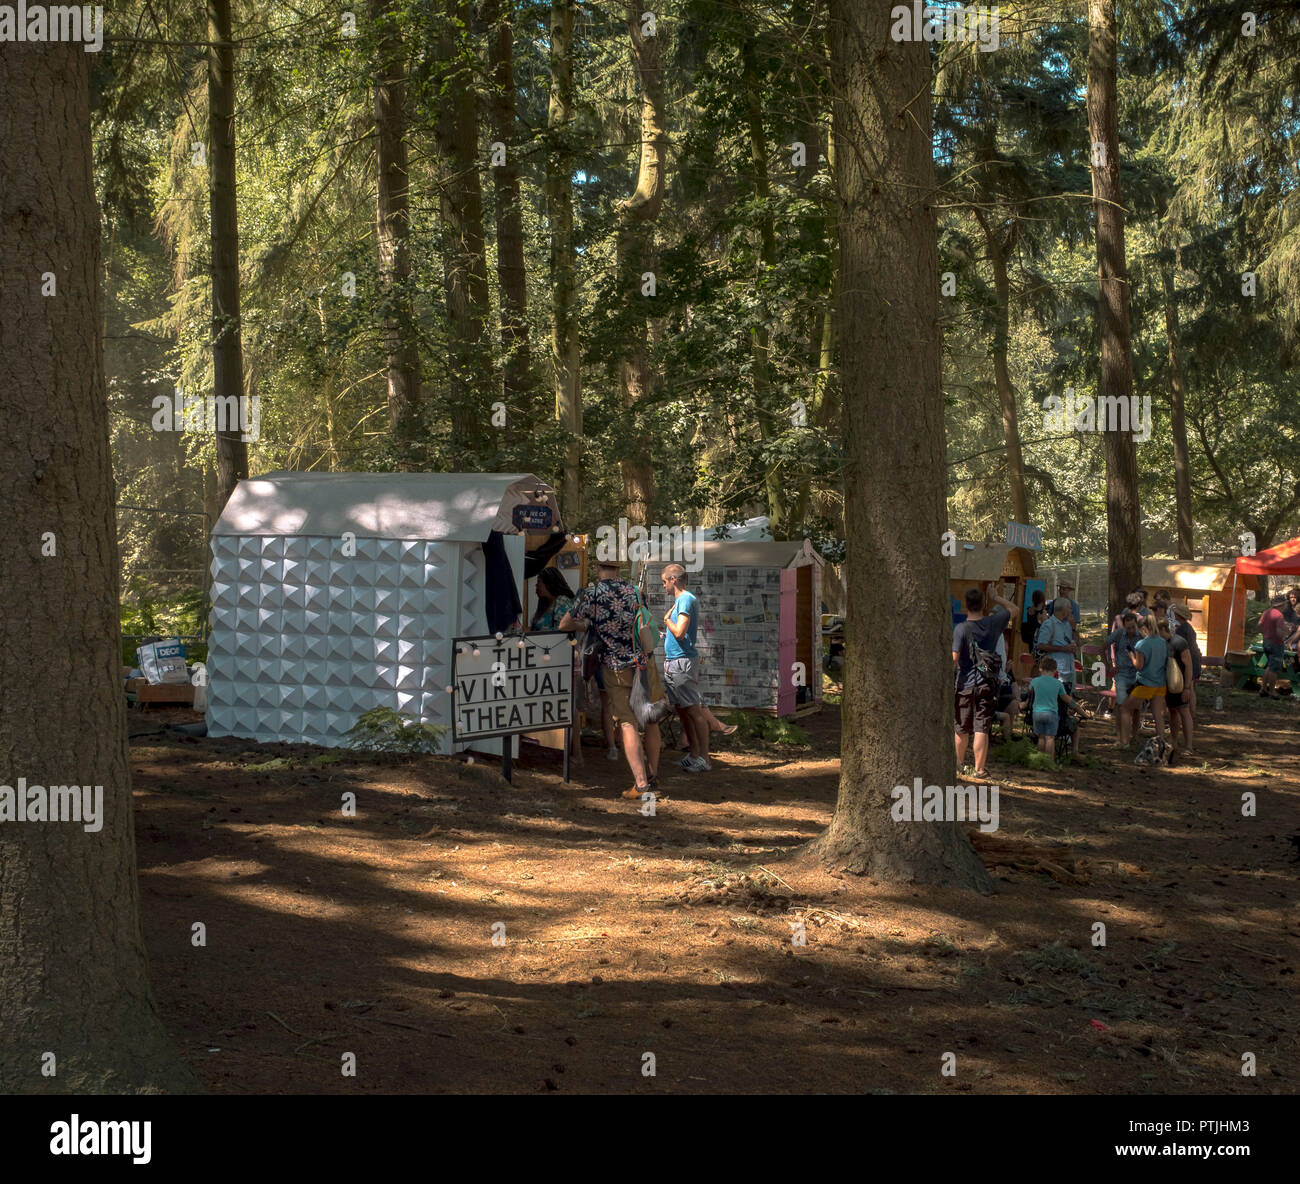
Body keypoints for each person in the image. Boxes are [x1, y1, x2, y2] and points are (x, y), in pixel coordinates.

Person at [557, 560, 662, 800]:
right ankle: (654, 774)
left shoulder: (590, 594)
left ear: (597, 568)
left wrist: (587, 625)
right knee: (651, 719)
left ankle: (641, 783)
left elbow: (565, 624)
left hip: (615, 666)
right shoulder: (635, 591)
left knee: (627, 723)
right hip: (644, 663)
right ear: (619, 568)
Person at [952, 582, 1017, 778]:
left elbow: (954, 660)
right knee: (982, 727)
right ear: (983, 604)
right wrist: (995, 597)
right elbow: (1014, 609)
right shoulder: (993, 623)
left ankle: (958, 765)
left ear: (966, 604)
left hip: (964, 684)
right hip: (987, 684)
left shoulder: (961, 629)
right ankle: (979, 770)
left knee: (961, 728)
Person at [660, 563, 711, 772]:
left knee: (693, 710)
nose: (663, 586)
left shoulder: (685, 599)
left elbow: (680, 632)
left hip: (681, 662)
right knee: (683, 711)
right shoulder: (681, 600)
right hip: (675, 661)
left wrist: (666, 621)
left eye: (664, 581)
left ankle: (705, 759)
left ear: (674, 579)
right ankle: (694, 754)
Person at [1126, 615, 1169, 748]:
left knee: (1125, 709)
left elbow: (1139, 666)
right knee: (1157, 715)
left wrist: (1132, 656)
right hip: (1160, 683)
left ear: (1144, 628)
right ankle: (1161, 742)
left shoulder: (1141, 644)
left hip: (1145, 684)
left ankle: (1126, 739)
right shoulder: (1162, 642)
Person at [1028, 657, 1083, 760]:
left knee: (1041, 737)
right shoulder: (1058, 684)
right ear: (1055, 670)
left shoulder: (1035, 681)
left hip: (1037, 713)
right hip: (1051, 714)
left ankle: (1040, 760)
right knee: (1049, 738)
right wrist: (1080, 711)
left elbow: (1029, 693)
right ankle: (1049, 762)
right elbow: (1067, 700)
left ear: (1040, 668)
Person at [1107, 611, 1142, 747]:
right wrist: (1108, 664)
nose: (1131, 630)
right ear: (1124, 626)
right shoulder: (1119, 634)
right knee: (1121, 707)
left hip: (1137, 676)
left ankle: (1134, 736)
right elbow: (1104, 646)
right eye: (1128, 628)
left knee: (1136, 708)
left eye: (1133, 627)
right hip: (1121, 675)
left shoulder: (1141, 637)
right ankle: (1119, 737)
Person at [1165, 616, 1196, 756]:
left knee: (1184, 712)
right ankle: (1174, 741)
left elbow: (1189, 666)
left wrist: (1187, 687)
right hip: (1168, 684)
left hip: (1181, 684)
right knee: (1172, 712)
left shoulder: (1180, 642)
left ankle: (1189, 746)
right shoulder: (1161, 642)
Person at [1036, 597, 1078, 691]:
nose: (1071, 611)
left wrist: (1074, 629)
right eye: (1069, 608)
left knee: (1067, 698)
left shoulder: (1068, 624)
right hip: (1055, 670)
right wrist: (1063, 649)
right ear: (1062, 609)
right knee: (1056, 699)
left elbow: (1076, 643)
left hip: (1069, 669)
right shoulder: (1049, 624)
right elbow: (1041, 645)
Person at [1259, 593, 1289, 699]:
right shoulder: (1279, 615)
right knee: (1274, 669)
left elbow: (1260, 625)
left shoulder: (1266, 612)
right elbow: (1279, 632)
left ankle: (1263, 689)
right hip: (1276, 644)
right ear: (1281, 605)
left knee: (1269, 666)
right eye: (1285, 604)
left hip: (1266, 642)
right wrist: (1286, 635)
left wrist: (1265, 634)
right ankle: (1272, 691)